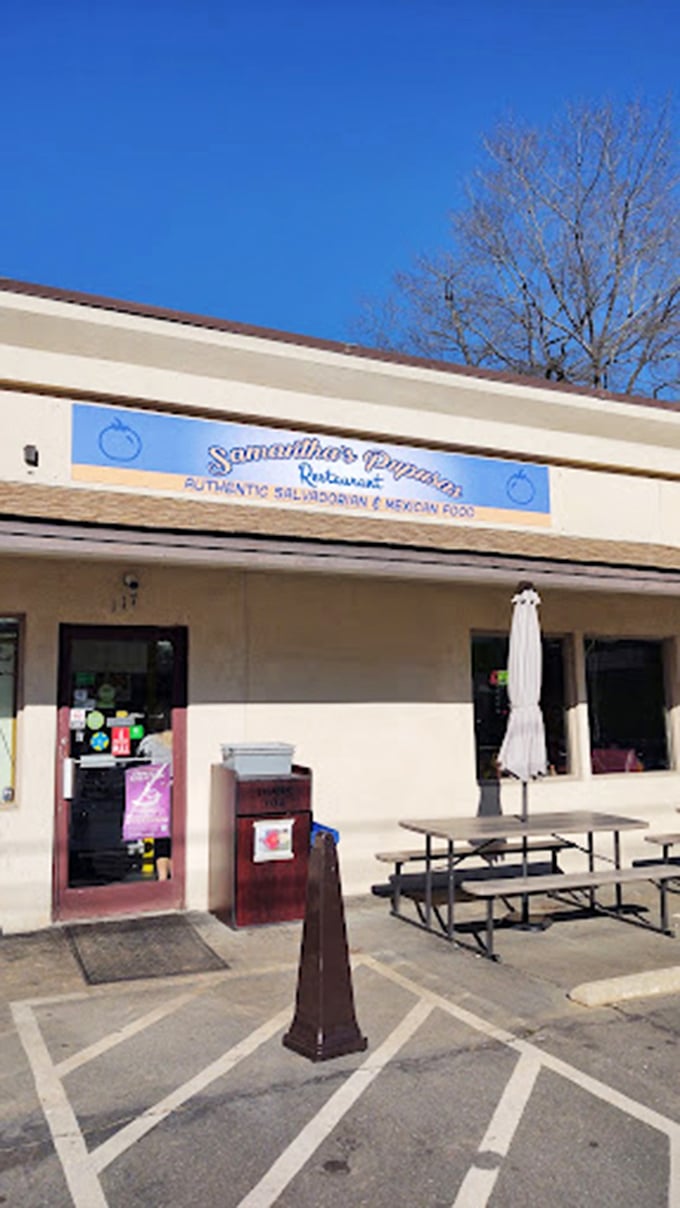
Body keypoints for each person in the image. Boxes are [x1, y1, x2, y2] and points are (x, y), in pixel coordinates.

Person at [137, 707, 173, 880]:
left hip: (157, 793)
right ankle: (174, 877)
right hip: (178, 791)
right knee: (176, 837)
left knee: (161, 836)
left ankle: (162, 878)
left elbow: (137, 762)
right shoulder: (183, 738)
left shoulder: (149, 742)